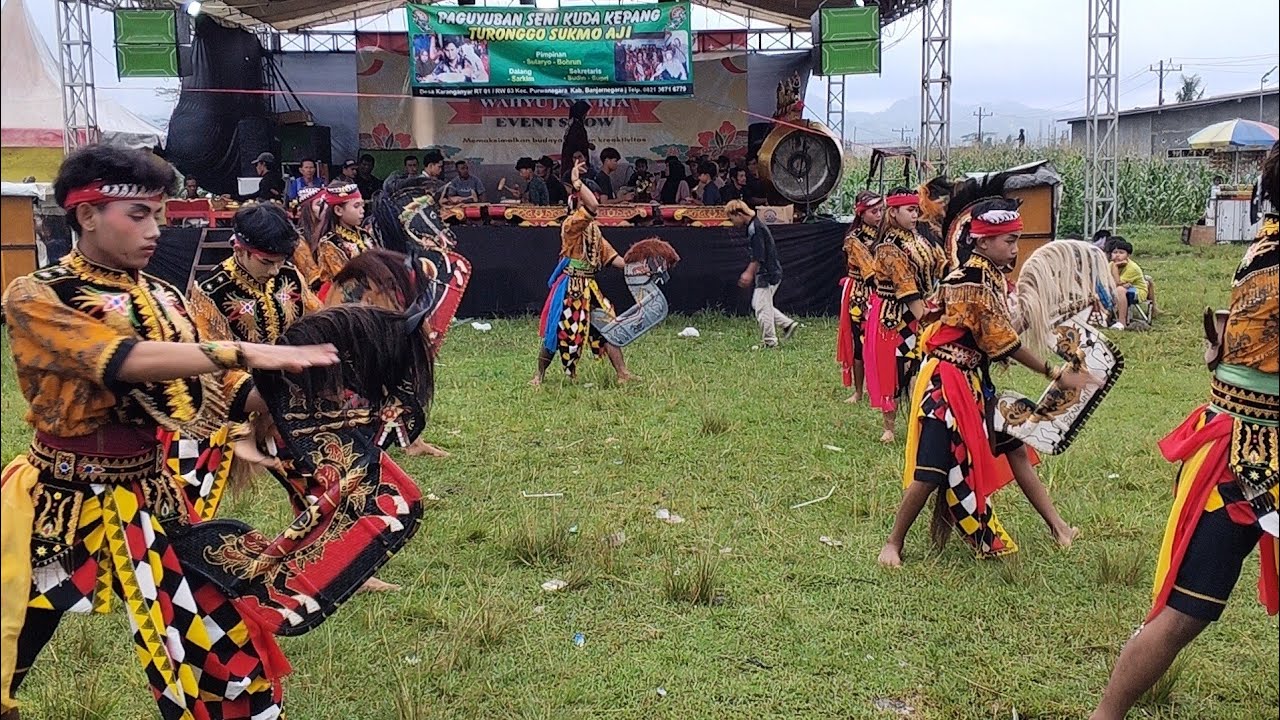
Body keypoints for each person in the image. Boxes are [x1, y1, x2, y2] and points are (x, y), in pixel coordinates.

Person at [0, 144, 337, 720]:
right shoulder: (37, 295)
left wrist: (293, 388)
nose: (156, 229)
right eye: (139, 215)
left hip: (150, 494)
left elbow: (218, 394)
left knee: (208, 628)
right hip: (61, 497)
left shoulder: (165, 295)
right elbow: (119, 359)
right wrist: (247, 350)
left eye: (160, 214)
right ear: (86, 214)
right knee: (18, 629)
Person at [1091, 141, 1280, 720]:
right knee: (1183, 613)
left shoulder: (1266, 247)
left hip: (1245, 447)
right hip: (1245, 462)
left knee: (1181, 616)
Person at [877, 198, 1088, 568]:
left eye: (1016, 240)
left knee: (1015, 448)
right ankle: (893, 543)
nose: (1014, 248)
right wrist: (1053, 372)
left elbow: (994, 338)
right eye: (1008, 240)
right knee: (930, 472)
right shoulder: (969, 281)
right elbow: (1002, 342)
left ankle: (1060, 528)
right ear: (982, 241)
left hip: (973, 380)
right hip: (946, 384)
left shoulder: (990, 277)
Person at [180, 204, 322, 519]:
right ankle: (181, 556)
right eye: (267, 262)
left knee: (316, 485)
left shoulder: (288, 275)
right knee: (190, 494)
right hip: (230, 409)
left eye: (281, 261)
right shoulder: (211, 292)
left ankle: (333, 562)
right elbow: (215, 364)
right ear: (239, 249)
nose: (275, 270)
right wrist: (262, 397)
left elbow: (316, 320)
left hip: (286, 400)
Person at [530, 160, 633, 385]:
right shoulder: (570, 225)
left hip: (589, 286)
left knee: (609, 325)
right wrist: (576, 181)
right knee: (557, 333)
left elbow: (612, 257)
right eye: (587, 194)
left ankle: (622, 372)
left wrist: (635, 266)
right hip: (570, 288)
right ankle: (539, 375)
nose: (592, 198)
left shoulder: (593, 229)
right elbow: (594, 206)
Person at [865, 188, 950, 442]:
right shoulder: (889, 247)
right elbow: (905, 285)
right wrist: (926, 314)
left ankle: (922, 420)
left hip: (921, 306)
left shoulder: (919, 239)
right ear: (894, 213)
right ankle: (889, 427)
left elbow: (939, 262)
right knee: (896, 367)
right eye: (910, 210)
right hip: (896, 314)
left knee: (920, 365)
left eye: (916, 210)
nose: (915, 215)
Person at [728, 199, 797, 349]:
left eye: (731, 218)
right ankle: (787, 324)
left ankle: (770, 341)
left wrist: (748, 273)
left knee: (761, 307)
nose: (732, 222)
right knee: (761, 304)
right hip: (769, 271)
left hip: (767, 273)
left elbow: (758, 255)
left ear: (739, 214)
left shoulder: (755, 229)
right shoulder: (755, 225)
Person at [837, 191, 883, 403]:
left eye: (881, 210)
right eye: (874, 211)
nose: (879, 215)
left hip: (884, 292)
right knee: (860, 342)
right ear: (861, 214)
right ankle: (858, 390)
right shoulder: (854, 240)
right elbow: (869, 270)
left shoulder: (887, 235)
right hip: (862, 294)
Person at [314, 182, 375, 299]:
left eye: (362, 205)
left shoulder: (364, 235)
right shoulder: (330, 243)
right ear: (338, 210)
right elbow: (345, 279)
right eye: (356, 206)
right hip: (343, 298)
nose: (362, 210)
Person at [1107, 237, 1148, 330]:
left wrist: (1116, 268)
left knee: (1120, 290)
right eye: (1115, 252)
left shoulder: (1132, 267)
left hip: (1138, 291)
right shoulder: (1111, 264)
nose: (1117, 255)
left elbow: (1116, 283)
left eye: (1121, 253)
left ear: (1128, 255)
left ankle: (1122, 322)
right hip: (1122, 288)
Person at [560, 100, 592, 182]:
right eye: (585, 113)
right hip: (575, 166)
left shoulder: (573, 124)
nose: (586, 115)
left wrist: (587, 145)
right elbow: (575, 146)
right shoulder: (576, 127)